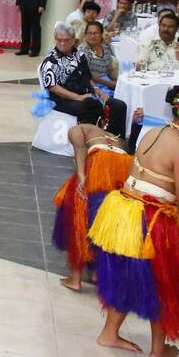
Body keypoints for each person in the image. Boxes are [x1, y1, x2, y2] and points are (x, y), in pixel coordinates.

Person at [89, 84, 179, 357]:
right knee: (163, 281)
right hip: (151, 221)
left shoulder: (153, 132)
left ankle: (109, 333)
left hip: (124, 212)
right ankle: (158, 349)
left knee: (128, 275)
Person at [52, 117, 133, 292]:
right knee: (105, 224)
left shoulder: (78, 128)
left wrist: (81, 177)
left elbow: (80, 149)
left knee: (78, 219)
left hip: (99, 168)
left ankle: (75, 279)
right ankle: (96, 272)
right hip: (123, 170)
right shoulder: (114, 136)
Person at [40, 23, 127, 134]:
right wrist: (78, 97)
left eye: (66, 40)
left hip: (86, 94)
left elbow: (87, 77)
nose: (62, 43)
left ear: (73, 40)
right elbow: (53, 87)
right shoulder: (51, 60)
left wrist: (96, 89)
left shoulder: (79, 55)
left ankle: (115, 140)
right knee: (92, 106)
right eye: (59, 39)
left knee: (119, 106)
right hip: (62, 99)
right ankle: (94, 140)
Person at [81, 21, 119, 92]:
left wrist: (116, 82)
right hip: (91, 86)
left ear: (101, 35)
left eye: (95, 33)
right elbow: (89, 75)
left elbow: (109, 70)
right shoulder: (82, 51)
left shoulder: (105, 49)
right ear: (85, 35)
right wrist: (110, 84)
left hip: (107, 83)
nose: (92, 36)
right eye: (90, 33)